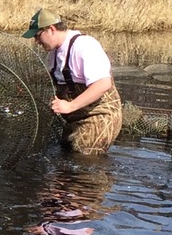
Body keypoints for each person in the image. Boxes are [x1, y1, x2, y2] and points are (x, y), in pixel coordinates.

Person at [22, 8, 123, 154]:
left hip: (99, 116)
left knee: (82, 158)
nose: (36, 41)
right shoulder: (53, 53)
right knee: (64, 152)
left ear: (51, 29)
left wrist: (70, 106)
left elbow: (103, 84)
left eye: (38, 36)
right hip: (74, 119)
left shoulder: (84, 46)